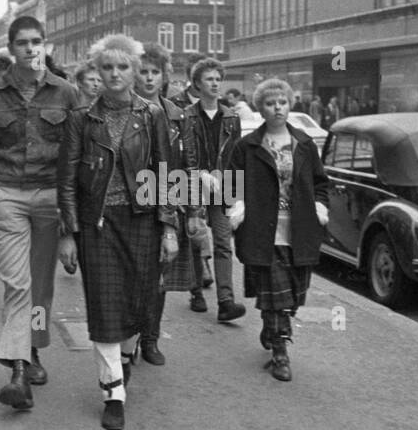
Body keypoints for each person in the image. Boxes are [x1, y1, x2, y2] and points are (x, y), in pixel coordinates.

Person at [58, 34, 179, 430]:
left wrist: (169, 227)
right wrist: (69, 233)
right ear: (97, 70)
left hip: (142, 220)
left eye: (122, 67)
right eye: (106, 67)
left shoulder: (152, 116)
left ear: (133, 70)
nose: (114, 74)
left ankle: (127, 358)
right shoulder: (81, 119)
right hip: (98, 224)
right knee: (105, 305)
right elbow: (68, 180)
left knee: (138, 301)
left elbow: (166, 173)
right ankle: (113, 390)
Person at [0, 16, 86, 409]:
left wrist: (70, 226)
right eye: (22, 43)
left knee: (40, 287)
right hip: (10, 197)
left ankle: (33, 349)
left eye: (37, 42)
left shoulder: (66, 94)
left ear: (45, 45)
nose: (30, 49)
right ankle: (18, 369)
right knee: (16, 283)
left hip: (51, 197)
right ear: (11, 49)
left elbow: (78, 157)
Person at [227, 78, 329, 382]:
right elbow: (232, 184)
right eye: (271, 104)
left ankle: (271, 326)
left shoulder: (305, 144)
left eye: (282, 102)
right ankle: (280, 352)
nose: (277, 108)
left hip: (299, 231)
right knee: (278, 294)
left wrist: (320, 208)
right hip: (262, 229)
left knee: (293, 295)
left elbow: (321, 183)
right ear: (261, 109)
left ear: (290, 104)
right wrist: (238, 209)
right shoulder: (247, 146)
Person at [133, 43, 201, 363]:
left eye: (154, 72)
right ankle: (128, 338)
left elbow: (188, 163)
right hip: (130, 202)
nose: (148, 78)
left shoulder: (178, 115)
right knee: (130, 275)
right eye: (143, 71)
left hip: (165, 201)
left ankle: (150, 338)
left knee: (158, 276)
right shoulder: (123, 110)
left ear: (165, 76)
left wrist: (192, 212)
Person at [185, 58, 247, 323]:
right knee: (197, 239)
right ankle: (197, 291)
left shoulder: (232, 117)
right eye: (209, 79)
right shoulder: (187, 115)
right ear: (197, 84)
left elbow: (236, 155)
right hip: (194, 186)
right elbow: (185, 154)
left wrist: (237, 193)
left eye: (218, 79)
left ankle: (225, 301)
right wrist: (199, 174)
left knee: (223, 243)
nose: (215, 84)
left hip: (223, 187)